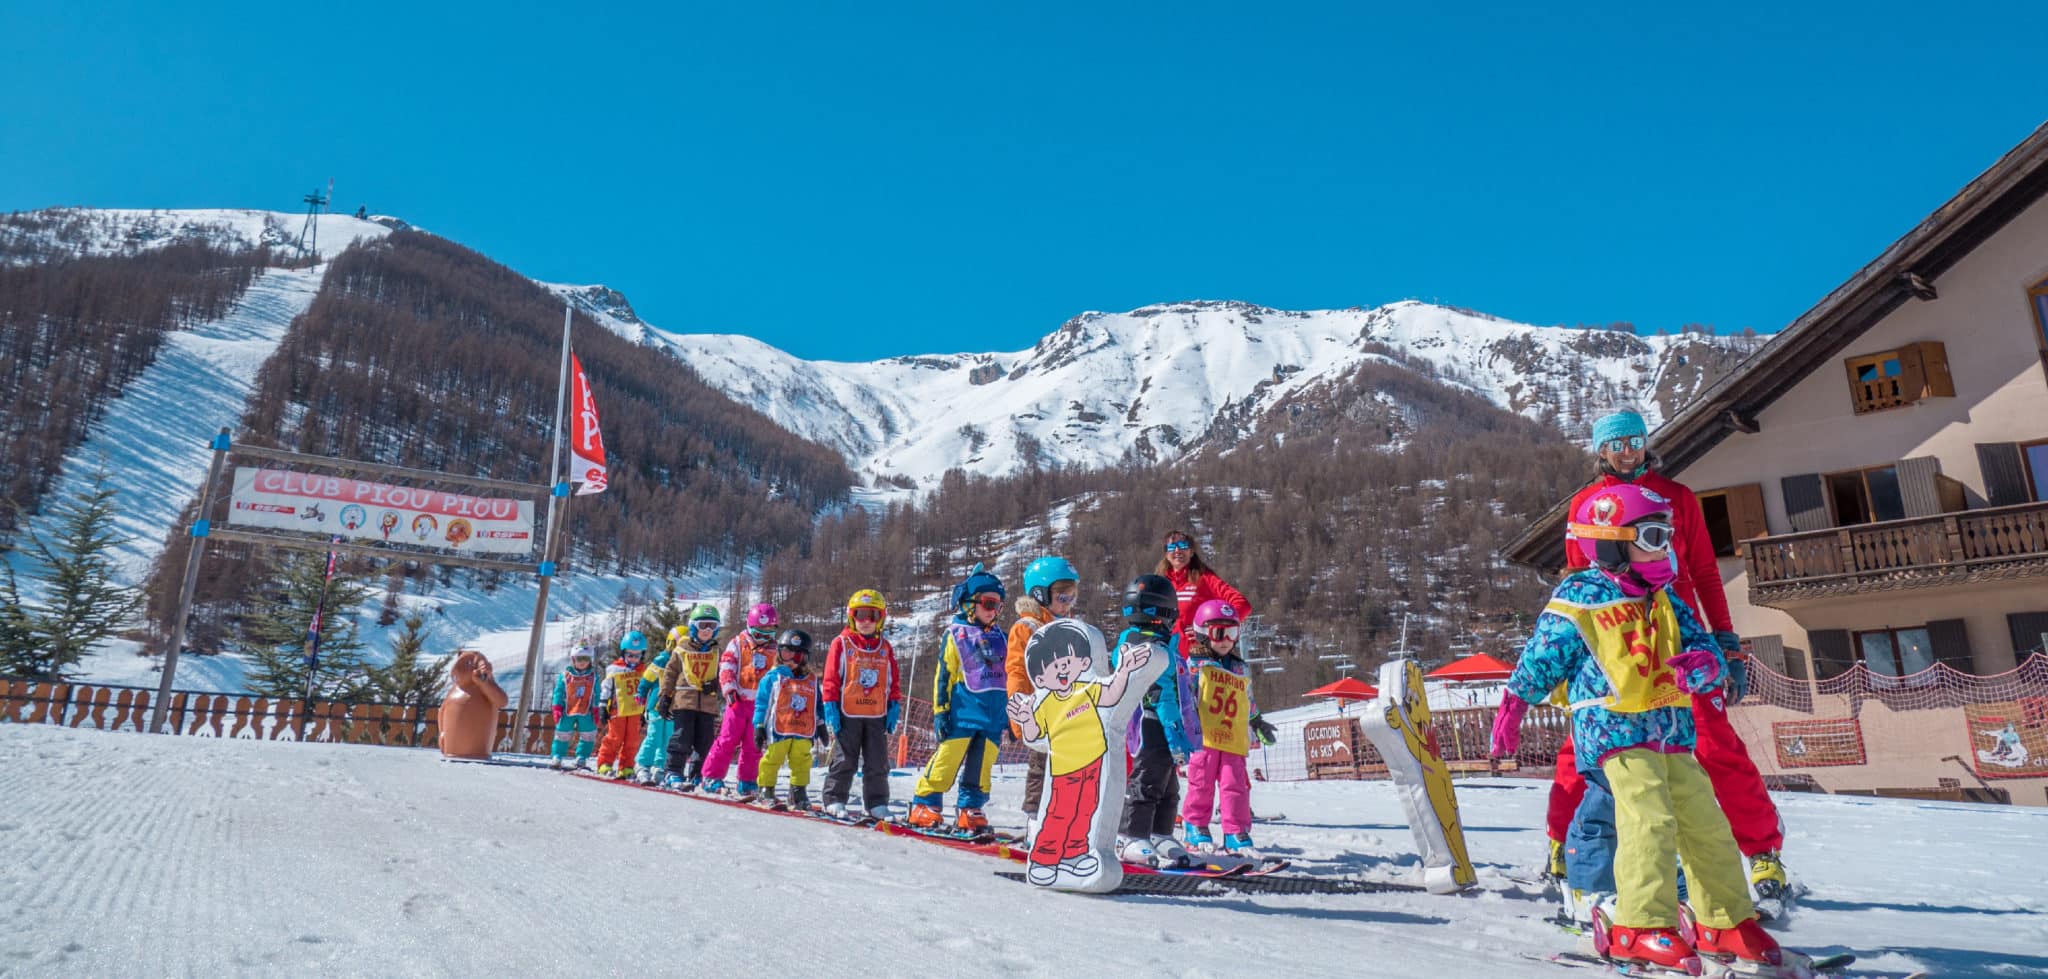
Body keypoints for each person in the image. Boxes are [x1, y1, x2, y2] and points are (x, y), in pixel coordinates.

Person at [1493, 483, 1784, 975]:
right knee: (1649, 820)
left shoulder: (1666, 593)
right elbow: (1544, 655)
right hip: (1611, 730)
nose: (1663, 547)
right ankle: (1638, 925)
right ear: (1610, 542)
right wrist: (1514, 706)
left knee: (1705, 823)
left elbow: (1702, 645)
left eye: (1666, 536)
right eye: (1651, 536)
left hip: (1669, 729)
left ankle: (1722, 919)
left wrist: (1707, 665)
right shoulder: (1582, 593)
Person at [1553, 409, 1788, 902]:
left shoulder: (1677, 497)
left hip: (1678, 638)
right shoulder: (1584, 505)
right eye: (1617, 443)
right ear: (1600, 450)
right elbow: (1578, 584)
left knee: (1713, 743)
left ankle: (1763, 853)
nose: (1628, 451)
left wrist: (1725, 642)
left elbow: (1704, 572)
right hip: (1615, 643)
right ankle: (1561, 842)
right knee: (1587, 745)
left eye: (1635, 440)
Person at [1009, 620, 1153, 886]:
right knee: (1058, 815)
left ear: (1084, 662)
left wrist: (1123, 671)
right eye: (1055, 665)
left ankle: (1076, 855)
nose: (1063, 668)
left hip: (1094, 765)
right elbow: (1033, 737)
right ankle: (1044, 859)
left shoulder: (1086, 689)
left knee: (1087, 812)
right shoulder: (1047, 702)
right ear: (1040, 679)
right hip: (1064, 771)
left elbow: (1111, 696)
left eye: (1069, 660)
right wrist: (1026, 717)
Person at [908, 563, 1009, 833]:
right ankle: (925, 803)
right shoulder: (956, 635)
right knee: (947, 761)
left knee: (981, 767)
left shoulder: (1002, 637)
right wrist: (941, 711)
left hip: (993, 717)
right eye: (989, 603)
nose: (994, 611)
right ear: (968, 604)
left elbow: (1010, 676)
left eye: (999, 606)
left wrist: (1011, 715)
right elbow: (944, 676)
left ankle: (970, 809)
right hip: (963, 712)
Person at [1113, 574, 1200, 868]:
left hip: (1150, 723)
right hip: (1153, 725)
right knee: (1148, 781)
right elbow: (1164, 697)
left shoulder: (1142, 643)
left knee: (1168, 784)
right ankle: (1130, 835)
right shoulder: (1155, 651)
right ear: (1167, 613)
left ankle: (1160, 832)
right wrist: (1177, 737)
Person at [1179, 600, 1278, 857]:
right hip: (1205, 737)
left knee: (1235, 785)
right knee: (1200, 783)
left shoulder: (1239, 667)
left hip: (1232, 736)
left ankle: (1235, 831)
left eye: (1232, 633)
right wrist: (1183, 728)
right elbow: (1185, 697)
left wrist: (1257, 721)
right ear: (1202, 633)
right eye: (1218, 633)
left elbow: (1247, 699)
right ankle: (1195, 824)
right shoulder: (1194, 665)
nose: (1226, 640)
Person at [1007, 556, 1080, 819]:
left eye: (1072, 597)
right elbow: (1016, 672)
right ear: (1040, 594)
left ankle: (1064, 818)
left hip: (1069, 710)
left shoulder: (1068, 627)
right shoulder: (1027, 627)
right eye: (1062, 597)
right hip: (1039, 711)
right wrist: (1018, 715)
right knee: (1041, 764)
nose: (1068, 603)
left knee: (1070, 767)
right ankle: (1035, 818)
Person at [820, 589, 903, 818]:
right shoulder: (841, 643)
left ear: (881, 618)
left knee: (877, 761)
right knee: (845, 758)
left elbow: (892, 678)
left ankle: (877, 803)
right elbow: (831, 677)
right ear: (851, 616)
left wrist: (894, 703)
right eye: (860, 615)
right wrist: (830, 706)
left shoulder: (885, 647)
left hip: (876, 713)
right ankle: (835, 798)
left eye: (873, 616)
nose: (866, 621)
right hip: (849, 713)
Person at [699, 603, 781, 799]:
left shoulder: (776, 650)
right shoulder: (738, 642)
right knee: (727, 739)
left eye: (768, 634)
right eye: (759, 634)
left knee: (754, 745)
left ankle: (747, 781)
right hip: (738, 701)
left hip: (761, 706)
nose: (763, 640)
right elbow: (727, 665)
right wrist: (729, 688)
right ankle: (711, 776)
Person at [753, 629, 825, 810]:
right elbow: (762, 704)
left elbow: (817, 704)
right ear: (779, 653)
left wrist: (822, 725)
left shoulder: (811, 680)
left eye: (797, 655)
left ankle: (798, 792)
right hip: (779, 729)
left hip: (803, 731)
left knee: (802, 761)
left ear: (805, 658)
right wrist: (759, 725)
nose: (791, 660)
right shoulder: (774, 677)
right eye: (786, 653)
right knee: (772, 759)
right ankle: (766, 789)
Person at [659, 604, 726, 790]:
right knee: (682, 738)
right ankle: (673, 771)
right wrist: (665, 696)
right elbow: (670, 673)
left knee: (704, 742)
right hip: (684, 701)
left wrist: (716, 684)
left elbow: (724, 673)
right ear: (693, 626)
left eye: (712, 626)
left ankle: (698, 774)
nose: (707, 630)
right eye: (703, 625)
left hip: (707, 704)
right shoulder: (682, 649)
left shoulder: (717, 651)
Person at [1158, 530, 1251, 648]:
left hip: (1197, 658)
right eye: (1172, 547)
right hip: (1168, 658)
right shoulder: (1161, 583)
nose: (1177, 550)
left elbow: (1242, 604)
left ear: (1191, 552)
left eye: (1183, 546)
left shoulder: (1205, 579)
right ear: (1166, 553)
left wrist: (1212, 628)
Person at [594, 631, 650, 778]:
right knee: (614, 737)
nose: (633, 659)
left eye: (637, 656)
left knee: (632, 739)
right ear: (623, 653)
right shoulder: (615, 669)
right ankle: (604, 762)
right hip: (617, 710)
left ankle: (626, 766)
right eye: (630, 655)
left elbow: (646, 692)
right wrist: (602, 706)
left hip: (634, 711)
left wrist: (645, 712)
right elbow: (606, 688)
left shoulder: (643, 671)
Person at [632, 629, 679, 783]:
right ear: (670, 644)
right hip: (656, 705)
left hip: (673, 707)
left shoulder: (685, 662)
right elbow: (647, 679)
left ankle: (659, 766)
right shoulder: (661, 660)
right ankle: (642, 764)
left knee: (668, 738)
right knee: (654, 736)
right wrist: (641, 692)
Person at [548, 643, 601, 769]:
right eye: (579, 659)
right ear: (573, 660)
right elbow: (559, 692)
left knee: (588, 734)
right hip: (568, 709)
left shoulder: (593, 677)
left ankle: (582, 757)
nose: (582, 662)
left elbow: (597, 693)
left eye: (586, 659)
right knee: (562, 733)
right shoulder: (566, 675)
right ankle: (557, 756)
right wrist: (557, 707)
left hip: (586, 710)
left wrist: (596, 708)